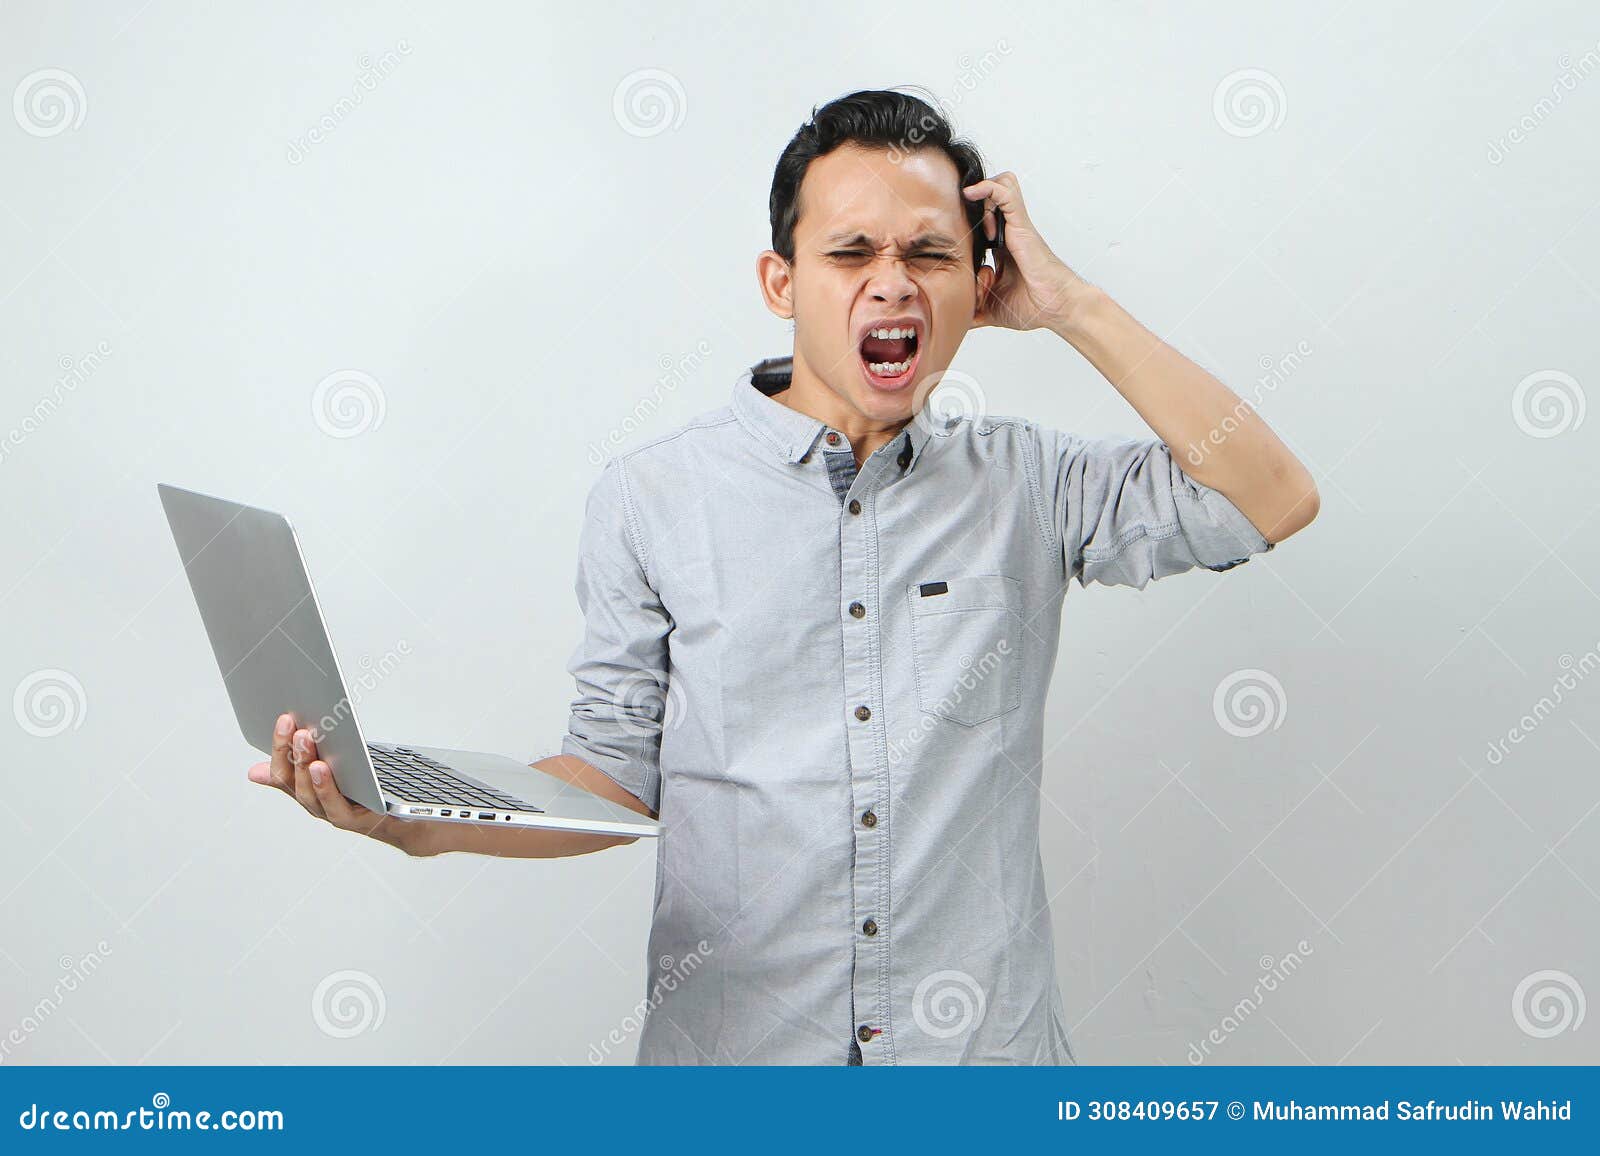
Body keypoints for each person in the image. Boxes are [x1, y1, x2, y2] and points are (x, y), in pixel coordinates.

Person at [250, 88, 1319, 1065]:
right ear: (781, 281)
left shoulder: (1029, 482)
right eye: (850, 251)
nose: (891, 282)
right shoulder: (653, 497)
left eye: (931, 255)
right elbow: (611, 780)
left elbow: (1268, 497)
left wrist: (1074, 306)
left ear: (980, 285)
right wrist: (405, 817)